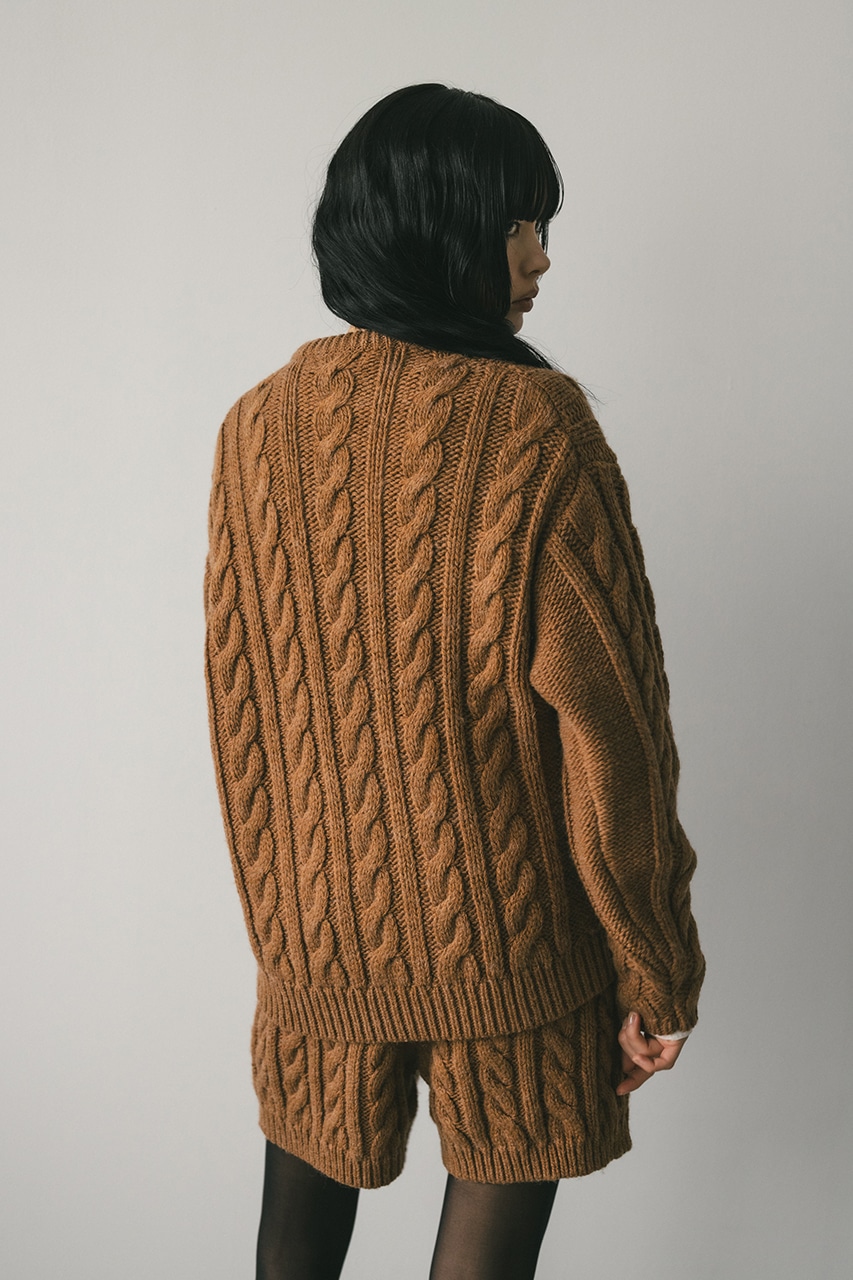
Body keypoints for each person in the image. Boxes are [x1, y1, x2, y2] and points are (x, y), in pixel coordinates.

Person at [203, 83, 705, 1280]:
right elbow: (614, 733)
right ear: (443, 226)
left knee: (288, 1258)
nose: (540, 257)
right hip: (511, 950)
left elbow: (243, 718)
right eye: (520, 223)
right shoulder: (536, 427)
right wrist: (655, 961)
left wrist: (294, 943)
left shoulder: (255, 428)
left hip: (318, 954)